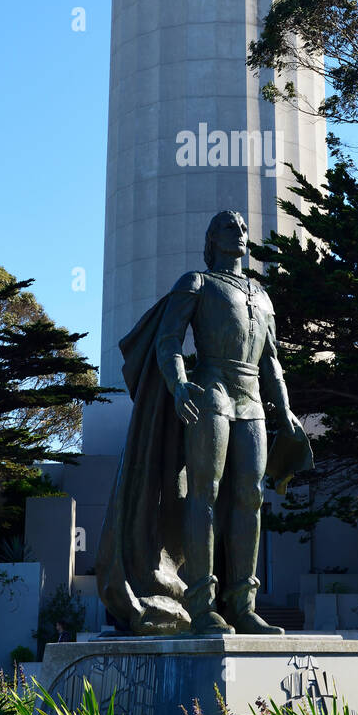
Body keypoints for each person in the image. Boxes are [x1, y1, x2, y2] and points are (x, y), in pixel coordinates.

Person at [97, 210, 313, 636]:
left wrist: (284, 409)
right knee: (205, 494)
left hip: (251, 400)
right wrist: (178, 384)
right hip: (211, 390)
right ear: (212, 239)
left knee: (251, 495)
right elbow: (168, 341)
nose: (241, 233)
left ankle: (243, 605)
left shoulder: (262, 295)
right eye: (230, 228)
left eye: (243, 228)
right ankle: (201, 604)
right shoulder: (196, 282)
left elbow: (272, 363)